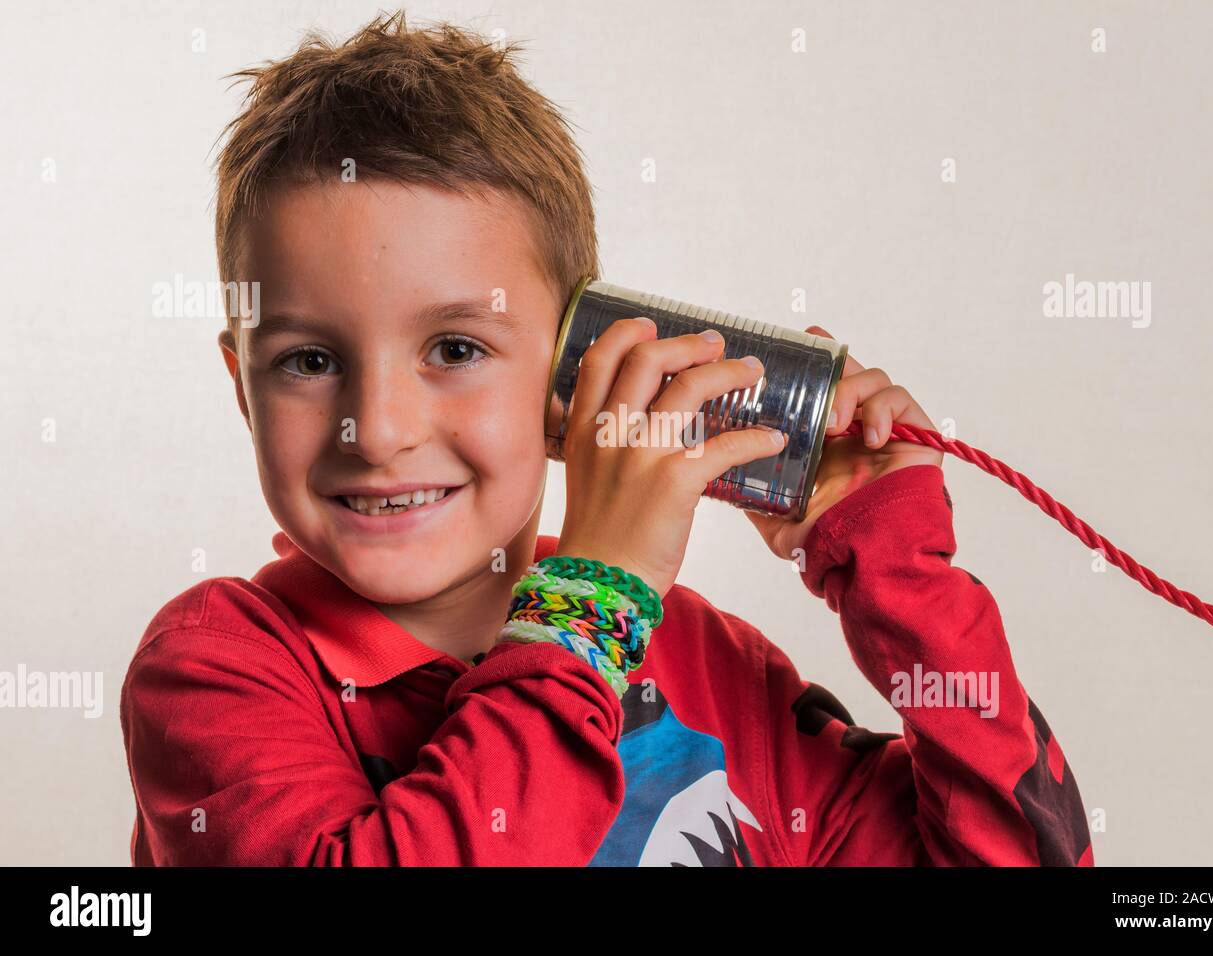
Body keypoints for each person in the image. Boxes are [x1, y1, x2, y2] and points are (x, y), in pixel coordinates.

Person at [120, 10, 1092, 866]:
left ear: (571, 375)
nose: (374, 428)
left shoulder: (703, 662)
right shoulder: (217, 667)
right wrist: (592, 603)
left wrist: (891, 565)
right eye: (306, 360)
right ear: (241, 385)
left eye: (455, 346)